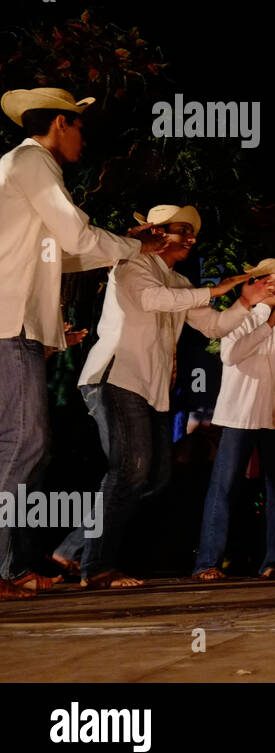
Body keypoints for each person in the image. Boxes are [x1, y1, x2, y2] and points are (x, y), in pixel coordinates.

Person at [0, 88, 167, 599]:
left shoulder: (20, 166)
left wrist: (120, 243)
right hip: (10, 326)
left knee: (21, 446)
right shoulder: (33, 161)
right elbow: (75, 238)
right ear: (59, 124)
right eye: (78, 126)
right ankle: (4, 568)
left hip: (19, 326)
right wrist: (134, 245)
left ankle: (11, 565)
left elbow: (62, 254)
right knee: (24, 443)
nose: (83, 136)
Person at [64, 205, 270, 588]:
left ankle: (71, 548)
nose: (190, 238)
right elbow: (151, 300)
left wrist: (246, 301)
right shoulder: (132, 265)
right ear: (155, 233)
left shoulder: (176, 282)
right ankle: (96, 567)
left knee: (154, 477)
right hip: (117, 377)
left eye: (192, 232)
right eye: (180, 231)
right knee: (130, 470)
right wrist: (217, 289)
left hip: (152, 391)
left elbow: (212, 327)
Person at [192, 259, 275, 581]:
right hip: (239, 413)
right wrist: (264, 323)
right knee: (225, 487)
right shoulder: (241, 318)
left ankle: (269, 562)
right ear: (259, 284)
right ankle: (208, 562)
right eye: (274, 282)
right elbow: (230, 356)